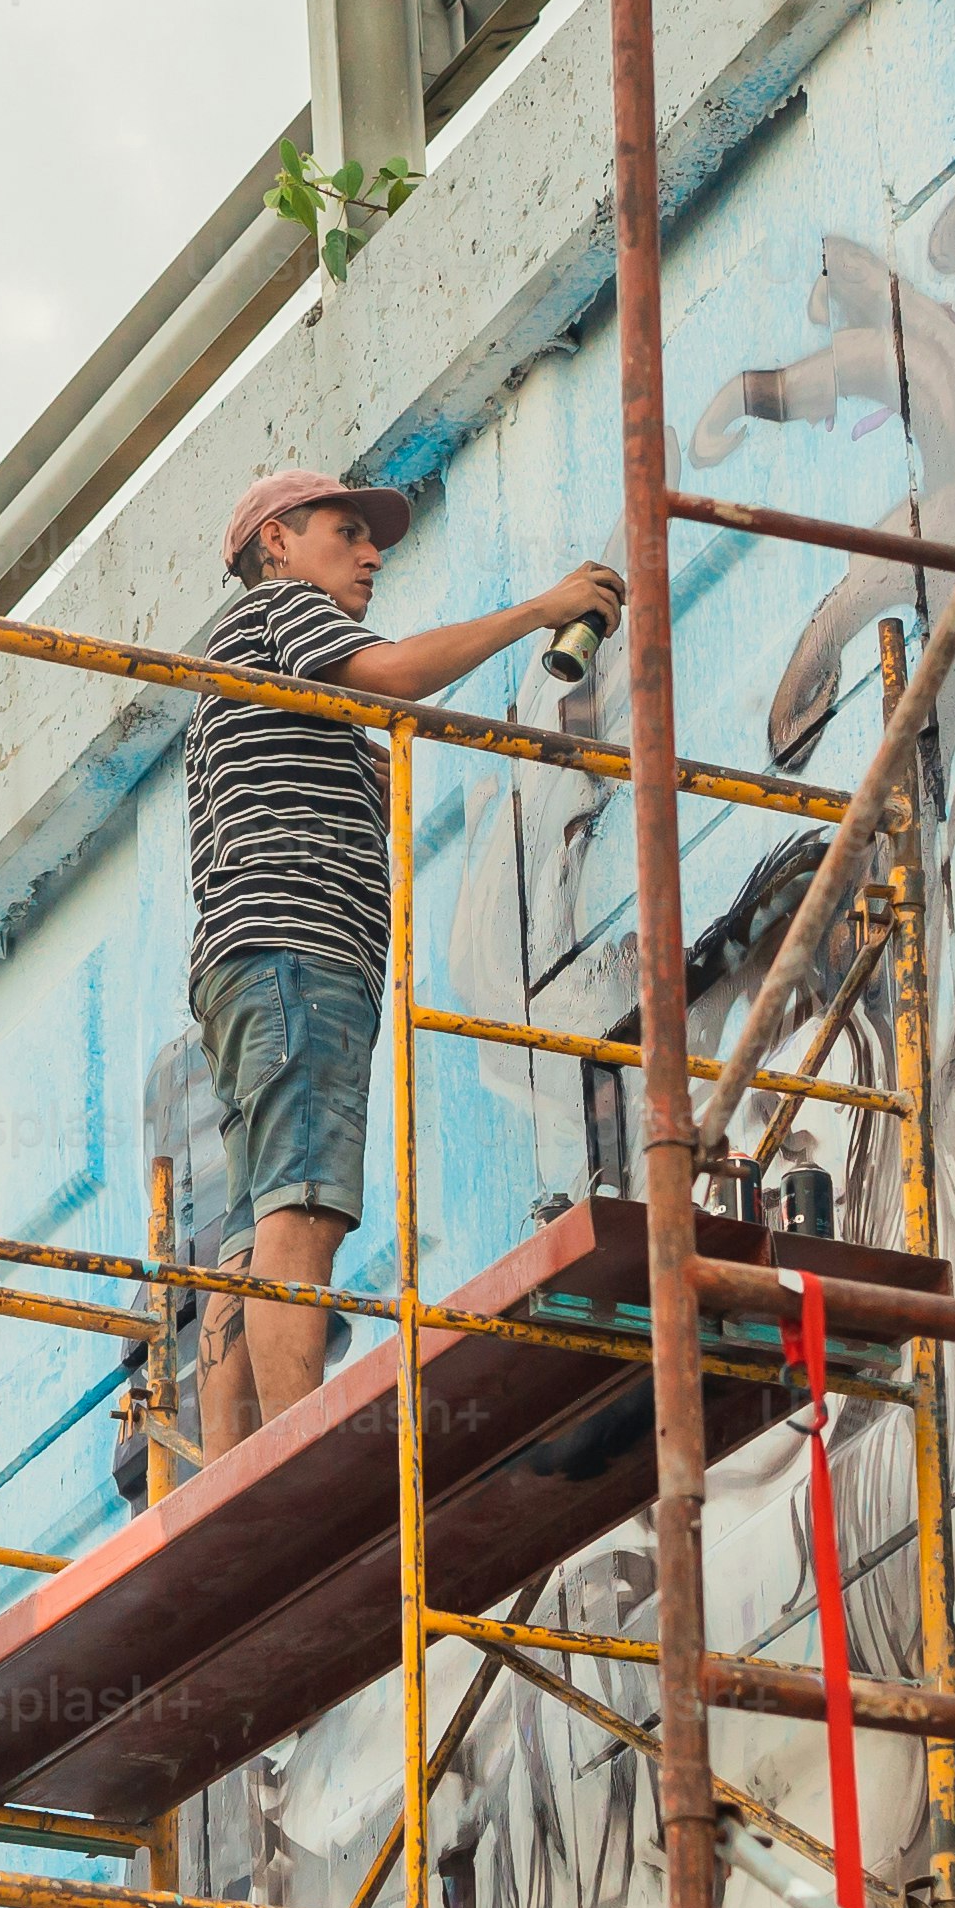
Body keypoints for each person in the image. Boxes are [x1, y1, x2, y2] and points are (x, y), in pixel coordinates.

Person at [184, 467, 623, 1451]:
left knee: (255, 1221)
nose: (372, 553)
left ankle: (228, 1464)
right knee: (305, 1203)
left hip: (249, 963)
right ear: (276, 546)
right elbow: (393, 675)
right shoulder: (285, 614)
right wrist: (540, 611)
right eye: (346, 531)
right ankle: (289, 1452)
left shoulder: (246, 667)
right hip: (301, 951)